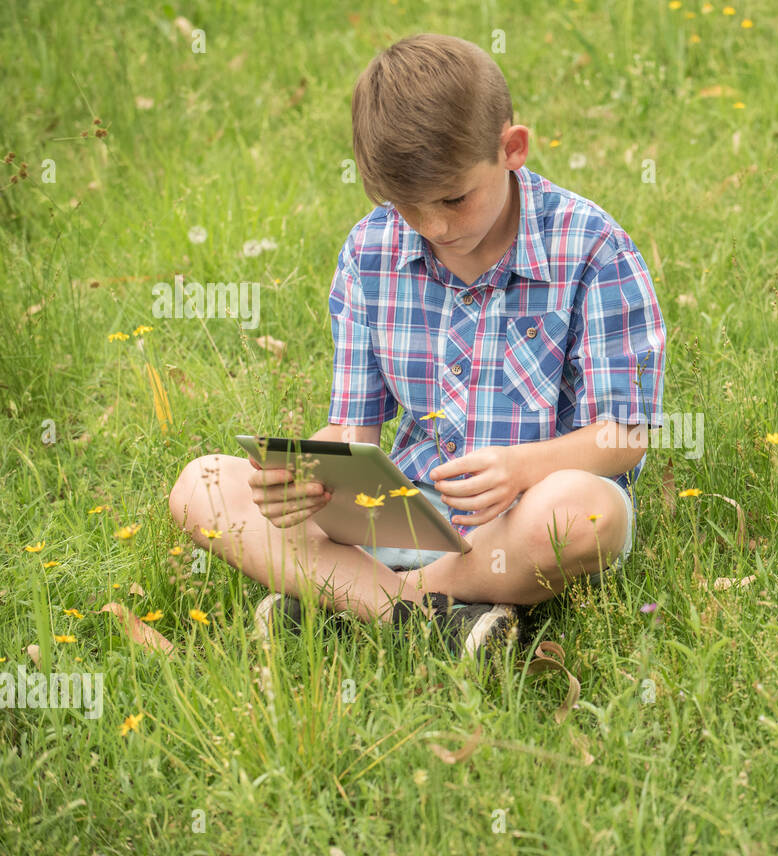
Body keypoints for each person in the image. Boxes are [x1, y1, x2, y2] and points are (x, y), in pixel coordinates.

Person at [167, 33, 666, 661]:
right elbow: (354, 425)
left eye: (455, 199)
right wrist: (305, 476)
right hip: (398, 513)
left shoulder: (593, 248)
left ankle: (345, 599)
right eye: (407, 208)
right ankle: (429, 617)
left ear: (512, 149)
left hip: (523, 515)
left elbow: (624, 437)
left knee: (587, 516)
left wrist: (522, 468)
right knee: (201, 485)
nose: (435, 227)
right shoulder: (369, 251)